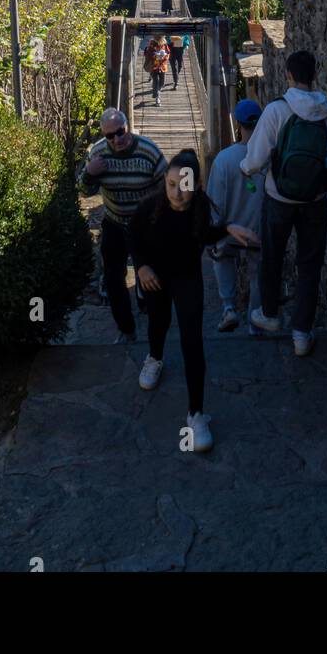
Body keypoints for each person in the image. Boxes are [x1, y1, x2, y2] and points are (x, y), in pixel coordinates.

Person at [129, 149, 258, 453]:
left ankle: (196, 414)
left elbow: (205, 234)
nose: (177, 192)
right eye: (171, 184)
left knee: (192, 342)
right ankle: (155, 357)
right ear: (165, 180)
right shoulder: (151, 207)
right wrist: (142, 266)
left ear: (197, 185)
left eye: (184, 184)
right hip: (155, 278)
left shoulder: (200, 208)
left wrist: (226, 229)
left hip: (187, 279)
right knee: (158, 324)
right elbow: (132, 236)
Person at [240, 50, 327, 357]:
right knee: (310, 263)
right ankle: (302, 333)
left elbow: (256, 156)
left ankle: (270, 314)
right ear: (315, 75)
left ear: (288, 75)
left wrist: (246, 169)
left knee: (272, 255)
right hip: (315, 200)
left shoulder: (277, 110)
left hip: (279, 199)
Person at [77, 109, 168, 344]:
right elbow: (85, 191)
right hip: (115, 223)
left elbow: (167, 187)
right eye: (110, 135)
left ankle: (150, 313)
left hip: (144, 227)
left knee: (150, 275)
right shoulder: (98, 154)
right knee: (113, 278)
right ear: (103, 135)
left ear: (127, 126)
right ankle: (126, 327)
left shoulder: (148, 151)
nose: (117, 139)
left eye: (120, 132)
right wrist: (89, 173)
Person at [206, 99, 266, 333]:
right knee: (257, 274)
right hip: (256, 232)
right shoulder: (268, 157)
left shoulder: (224, 159)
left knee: (220, 258)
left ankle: (229, 307)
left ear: (238, 124)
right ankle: (255, 321)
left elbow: (215, 200)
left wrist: (213, 232)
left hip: (229, 230)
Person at [144, 33, 170, 106]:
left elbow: (168, 52)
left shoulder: (164, 44)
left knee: (162, 83)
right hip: (154, 66)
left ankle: (155, 92)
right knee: (156, 81)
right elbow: (147, 53)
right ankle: (157, 98)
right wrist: (155, 55)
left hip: (162, 66)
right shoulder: (151, 43)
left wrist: (165, 56)